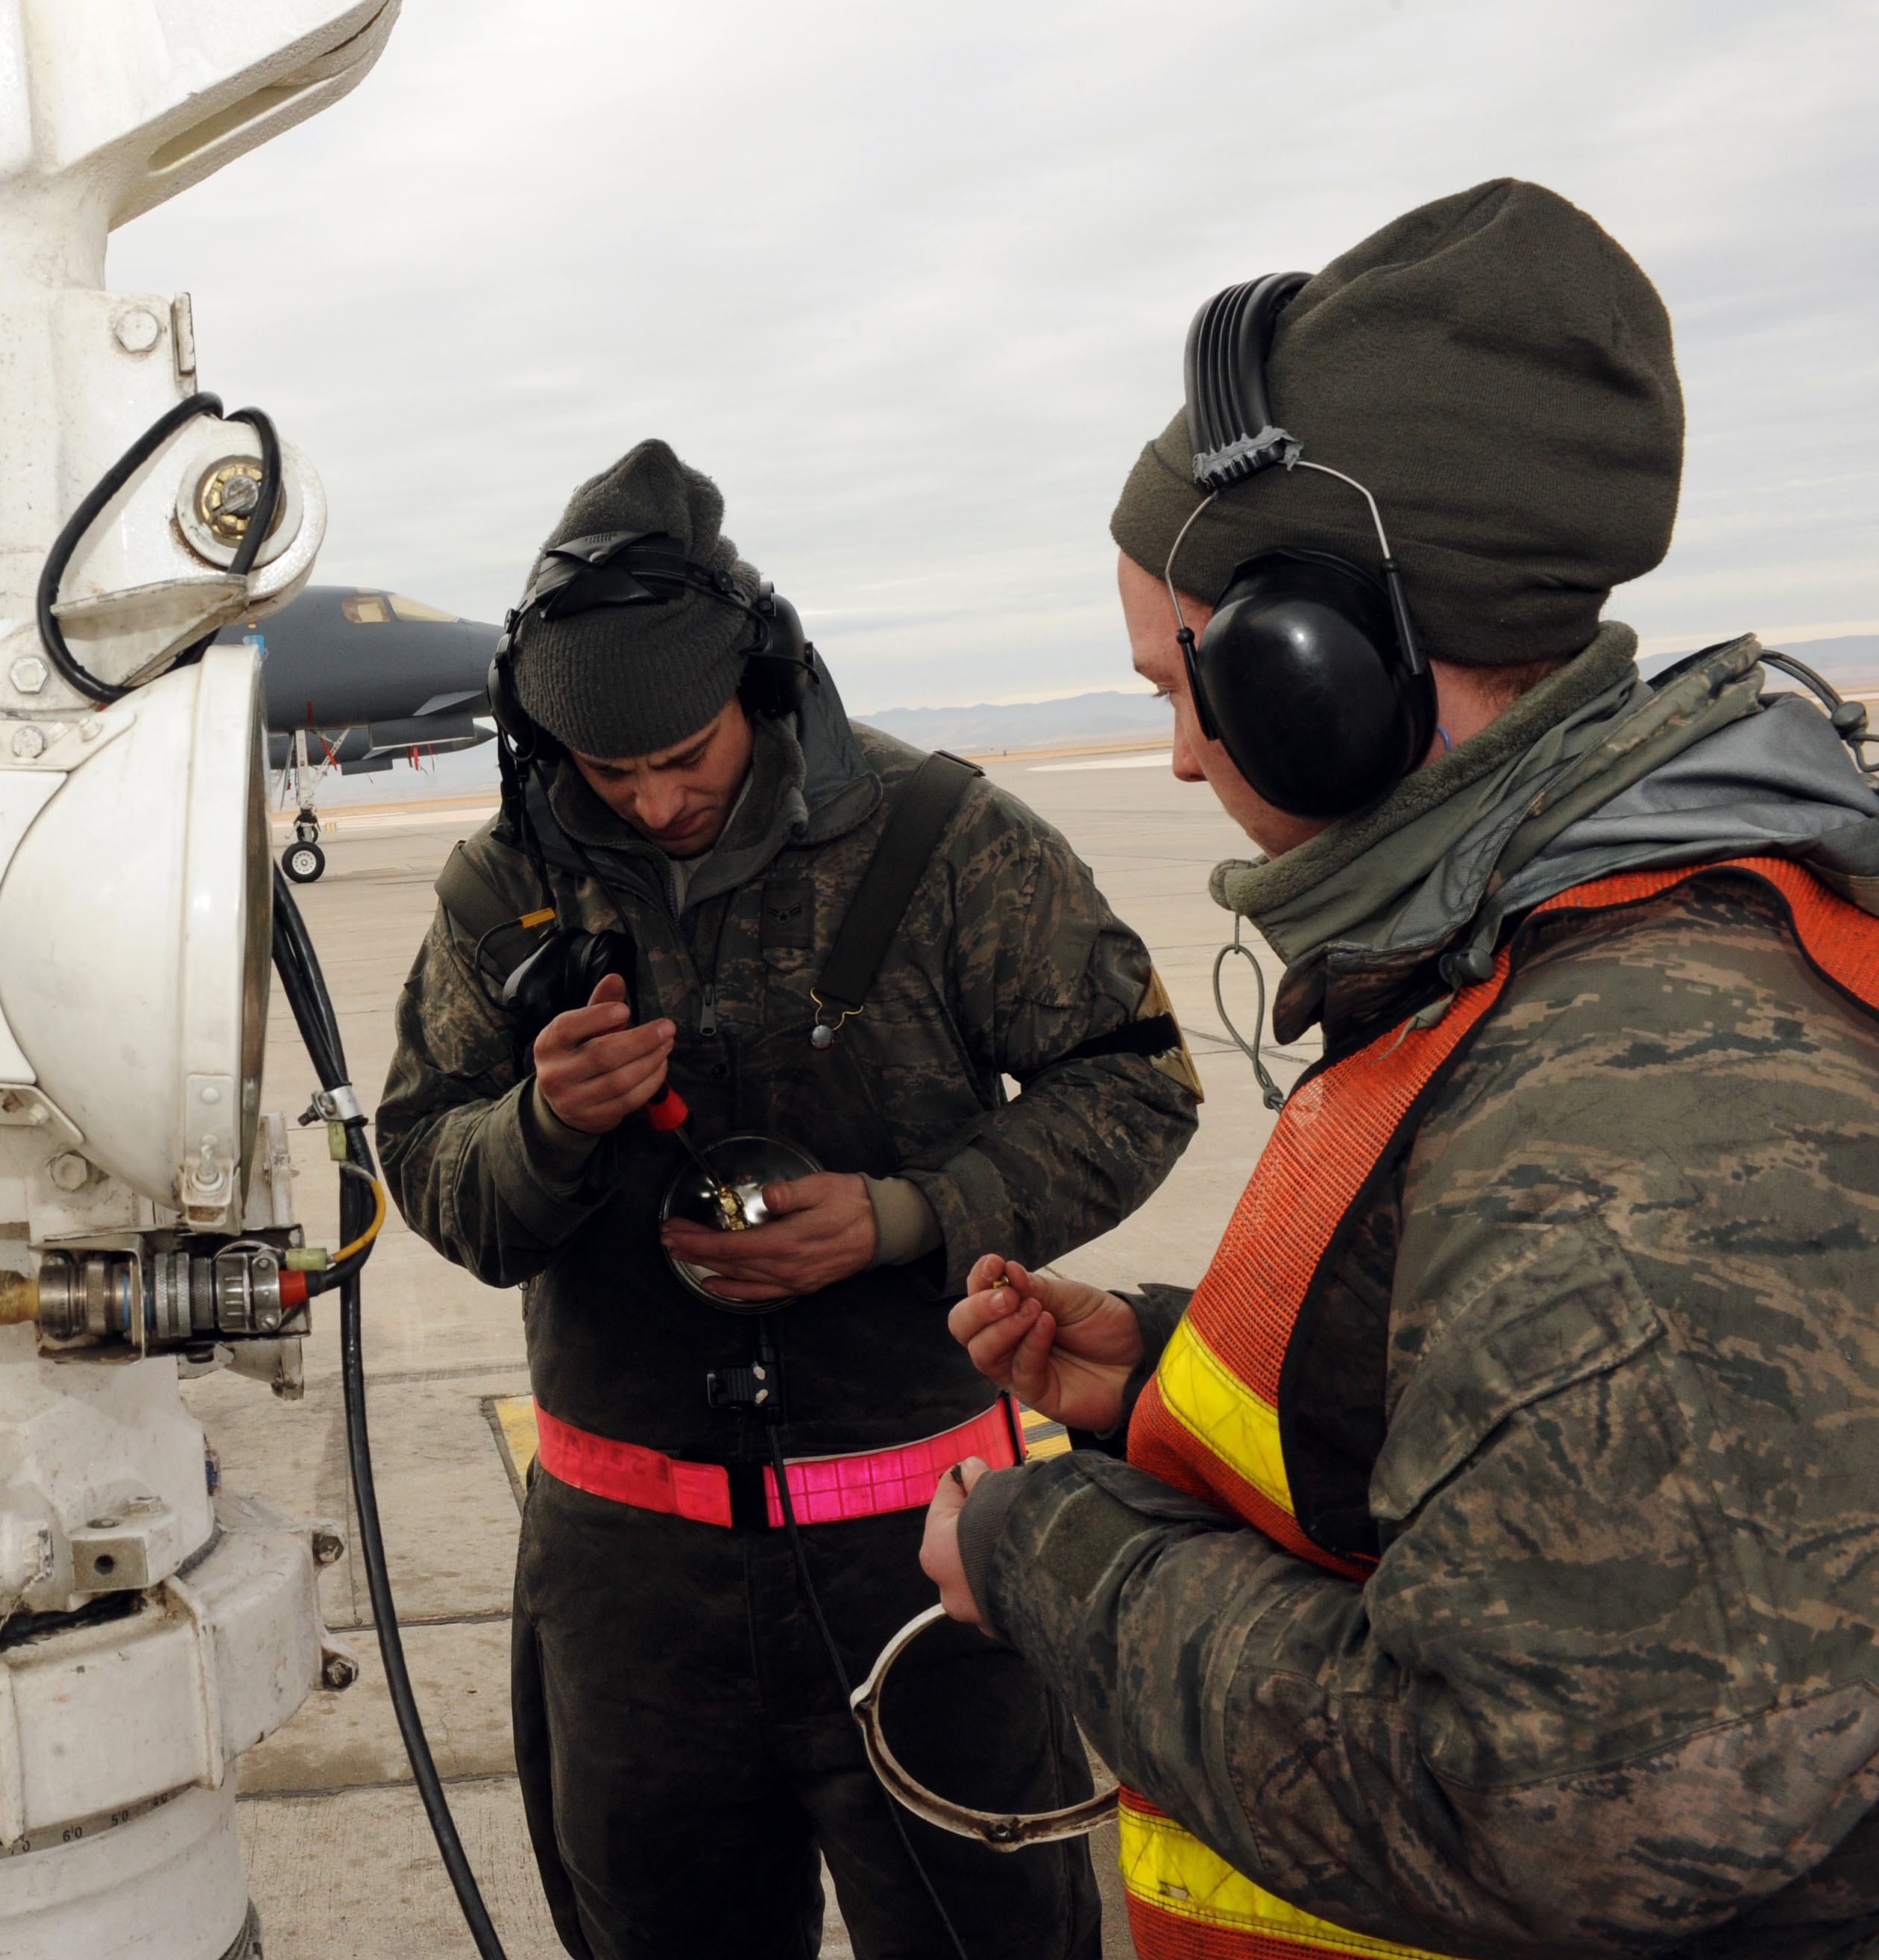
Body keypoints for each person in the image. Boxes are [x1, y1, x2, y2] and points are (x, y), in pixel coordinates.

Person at [921, 179, 1879, 1959]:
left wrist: (1051, 1559)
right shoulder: (1564, 960)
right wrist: (1169, 1390)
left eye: (1178, 691)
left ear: (1315, 681)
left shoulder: (1625, 1112)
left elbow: (1586, 1817)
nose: (1191, 759)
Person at [380, 438, 1203, 1960]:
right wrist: (547, 1127)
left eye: (682, 756)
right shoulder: (503, 889)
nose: (652, 800)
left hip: (928, 1558)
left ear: (763, 682)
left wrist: (908, 1214)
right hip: (628, 1603)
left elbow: (1138, 1083)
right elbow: (433, 1174)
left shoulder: (946, 841)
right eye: (606, 772)